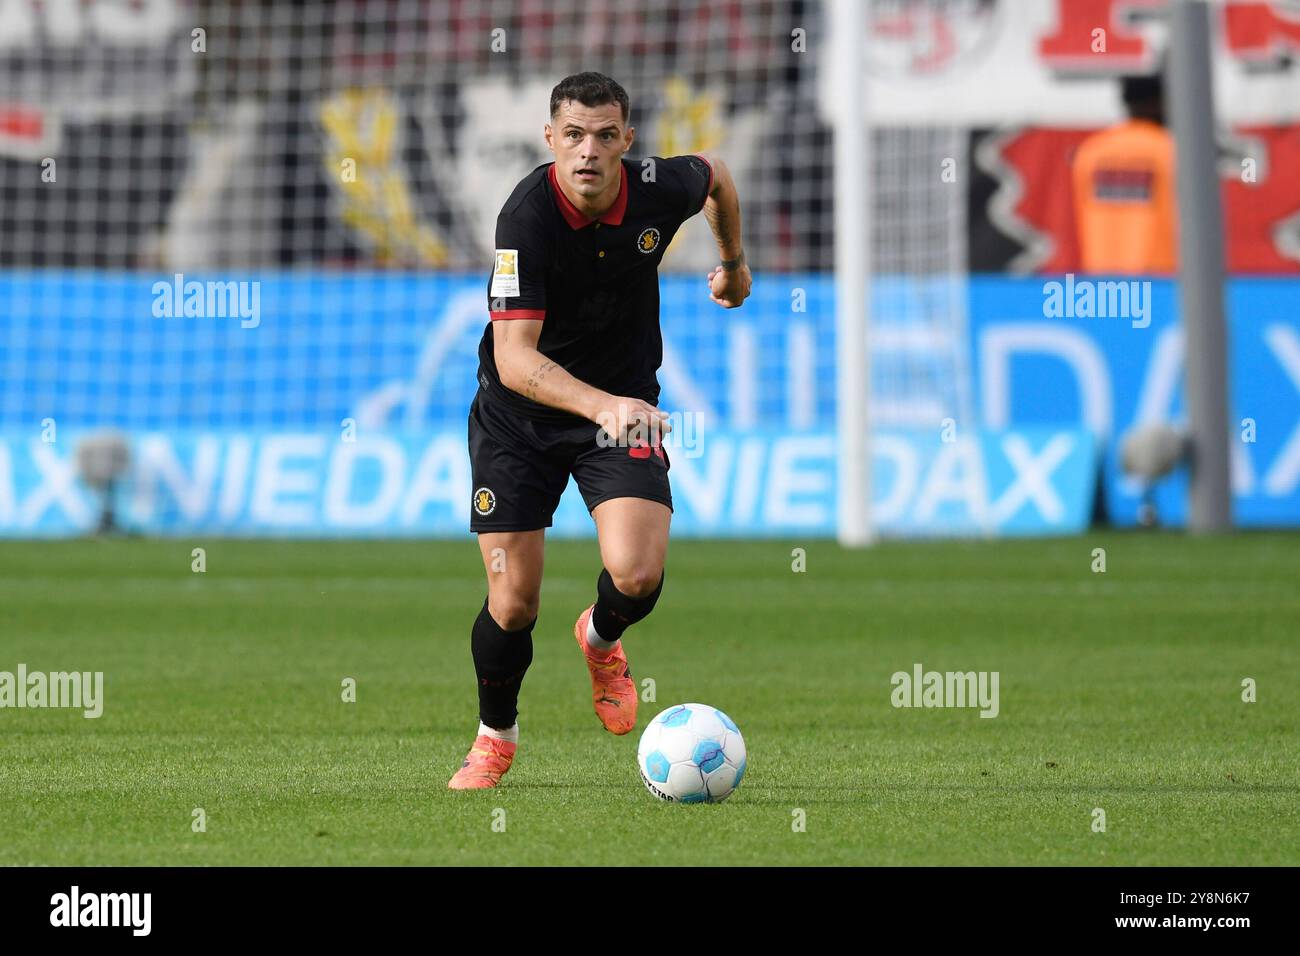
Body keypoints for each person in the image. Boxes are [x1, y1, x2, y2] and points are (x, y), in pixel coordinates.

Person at [449, 72, 751, 789]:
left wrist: (734, 267)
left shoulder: (654, 189)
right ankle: (496, 737)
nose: (589, 151)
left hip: (622, 409)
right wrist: (603, 406)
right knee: (513, 601)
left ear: (627, 141)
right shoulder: (525, 219)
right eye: (574, 135)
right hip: (519, 419)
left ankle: (601, 637)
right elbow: (516, 361)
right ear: (550, 138)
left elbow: (717, 176)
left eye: (605, 135)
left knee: (638, 575)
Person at [1071, 73, 1178, 275]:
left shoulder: (1091, 151)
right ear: (1160, 102)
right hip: (1162, 280)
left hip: (1103, 280)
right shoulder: (1171, 150)